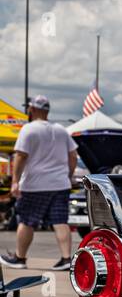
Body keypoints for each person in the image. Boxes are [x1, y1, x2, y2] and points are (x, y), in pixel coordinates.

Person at [0, 96, 78, 270]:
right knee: (60, 221)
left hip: (35, 184)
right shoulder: (60, 130)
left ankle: (20, 258)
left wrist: (15, 181)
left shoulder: (28, 129)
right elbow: (73, 155)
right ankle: (66, 259)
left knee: (27, 221)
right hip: (60, 184)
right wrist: (67, 175)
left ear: (32, 109)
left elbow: (21, 156)